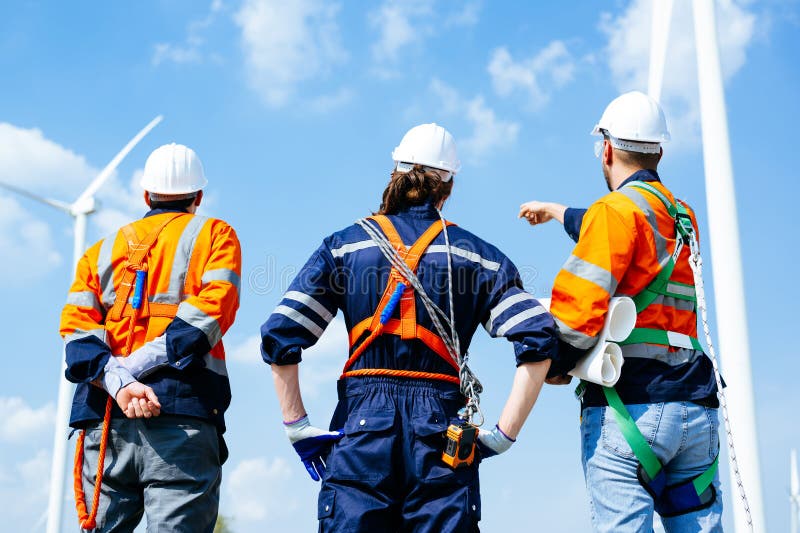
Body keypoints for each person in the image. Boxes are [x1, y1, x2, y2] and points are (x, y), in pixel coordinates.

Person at [261, 123, 558, 531]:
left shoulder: (345, 246)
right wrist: (504, 435)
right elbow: (538, 335)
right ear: (448, 188)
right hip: (441, 432)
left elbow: (281, 332)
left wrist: (297, 426)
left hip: (362, 426)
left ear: (394, 175)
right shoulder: (478, 258)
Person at [519, 91, 722, 532]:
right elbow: (622, 225)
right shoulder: (682, 216)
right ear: (660, 152)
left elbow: (576, 316)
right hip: (695, 411)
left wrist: (555, 365)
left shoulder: (613, 213)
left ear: (607, 150)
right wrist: (555, 211)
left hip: (631, 409)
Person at [59, 143, 241, 532]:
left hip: (104, 420)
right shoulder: (215, 235)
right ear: (198, 196)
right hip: (181, 417)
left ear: (146, 195)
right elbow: (211, 312)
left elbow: (76, 335)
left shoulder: (98, 252)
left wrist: (119, 379)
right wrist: (135, 369)